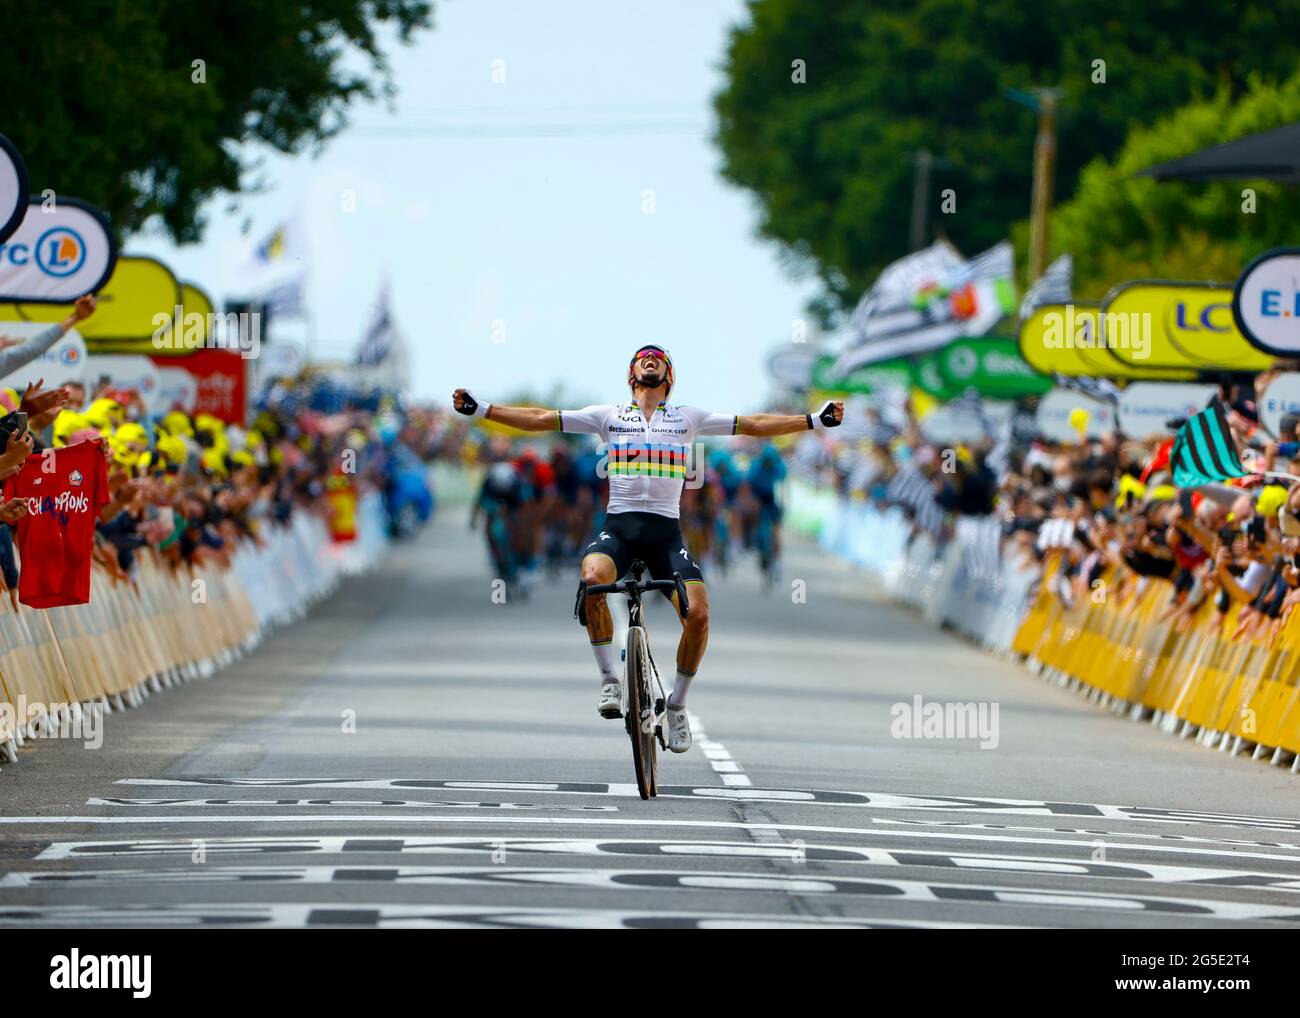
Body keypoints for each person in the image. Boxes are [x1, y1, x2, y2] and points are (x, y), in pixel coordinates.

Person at [453, 344, 843, 752]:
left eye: (658, 356)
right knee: (591, 580)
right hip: (619, 529)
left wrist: (815, 419)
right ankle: (608, 681)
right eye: (643, 355)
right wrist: (481, 410)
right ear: (632, 374)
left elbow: (754, 425)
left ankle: (676, 706)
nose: (650, 357)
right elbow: (538, 418)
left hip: (666, 536)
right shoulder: (608, 416)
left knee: (699, 615)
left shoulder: (689, 418)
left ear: (669, 378)